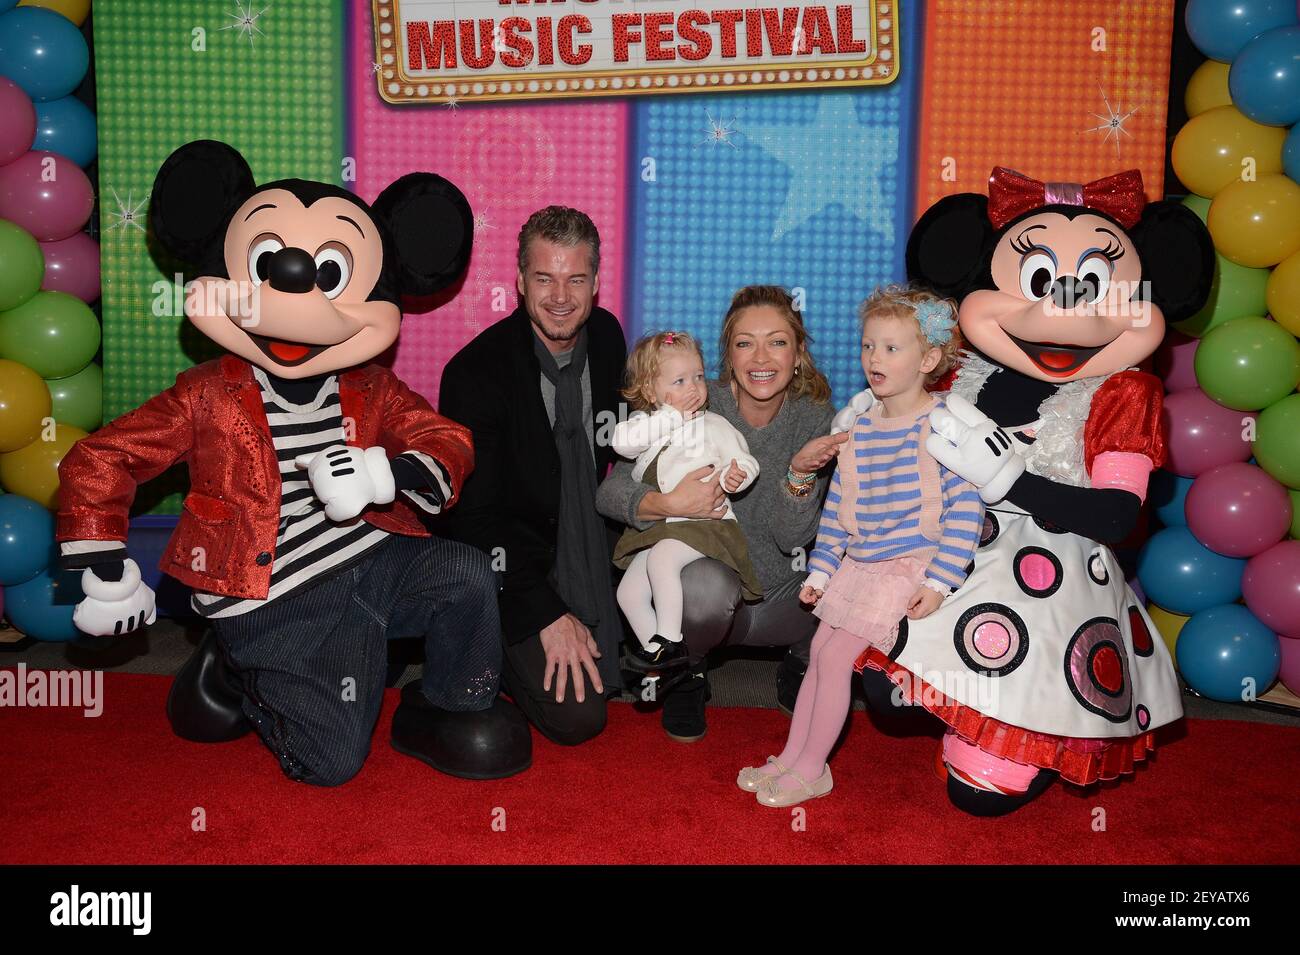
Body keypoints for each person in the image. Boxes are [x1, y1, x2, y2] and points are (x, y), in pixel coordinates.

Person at [55, 140, 530, 786]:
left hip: (370, 561)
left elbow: (447, 438)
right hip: (269, 595)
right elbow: (100, 458)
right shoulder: (206, 392)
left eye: (329, 274)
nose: (296, 295)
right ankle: (235, 672)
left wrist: (385, 474)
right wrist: (102, 558)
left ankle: (443, 704)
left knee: (465, 574)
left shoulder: (370, 385)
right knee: (330, 762)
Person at [738, 285, 982, 806]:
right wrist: (822, 571)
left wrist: (941, 580)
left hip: (907, 565)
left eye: (892, 348)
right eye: (868, 346)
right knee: (820, 654)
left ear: (929, 359)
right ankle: (792, 757)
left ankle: (813, 768)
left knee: (837, 659)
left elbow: (966, 508)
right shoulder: (858, 426)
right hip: (859, 565)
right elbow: (839, 513)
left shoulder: (942, 425)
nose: (874, 358)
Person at [595, 286, 841, 741]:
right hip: (710, 588)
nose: (761, 357)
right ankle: (685, 674)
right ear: (728, 355)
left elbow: (792, 538)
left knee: (842, 582)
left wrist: (798, 475)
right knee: (690, 580)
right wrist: (667, 504)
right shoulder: (690, 397)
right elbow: (610, 492)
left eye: (777, 341)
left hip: (783, 593)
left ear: (799, 351)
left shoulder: (815, 417)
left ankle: (801, 663)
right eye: (745, 342)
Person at [439, 206, 627, 745]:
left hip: (587, 542)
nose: (561, 297)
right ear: (520, 282)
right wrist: (544, 613)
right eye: (545, 278)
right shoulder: (476, 375)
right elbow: (474, 521)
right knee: (579, 719)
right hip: (514, 564)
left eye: (576, 279)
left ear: (595, 282)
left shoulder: (609, 339)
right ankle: (481, 648)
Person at [610, 331, 763, 671]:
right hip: (663, 527)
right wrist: (669, 417)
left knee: (662, 559)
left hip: (706, 525)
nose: (693, 387)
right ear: (651, 391)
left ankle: (671, 641)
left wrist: (733, 477)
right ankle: (666, 659)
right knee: (628, 594)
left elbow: (745, 459)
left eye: (697, 376)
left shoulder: (713, 424)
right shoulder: (645, 425)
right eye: (679, 381)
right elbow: (622, 444)